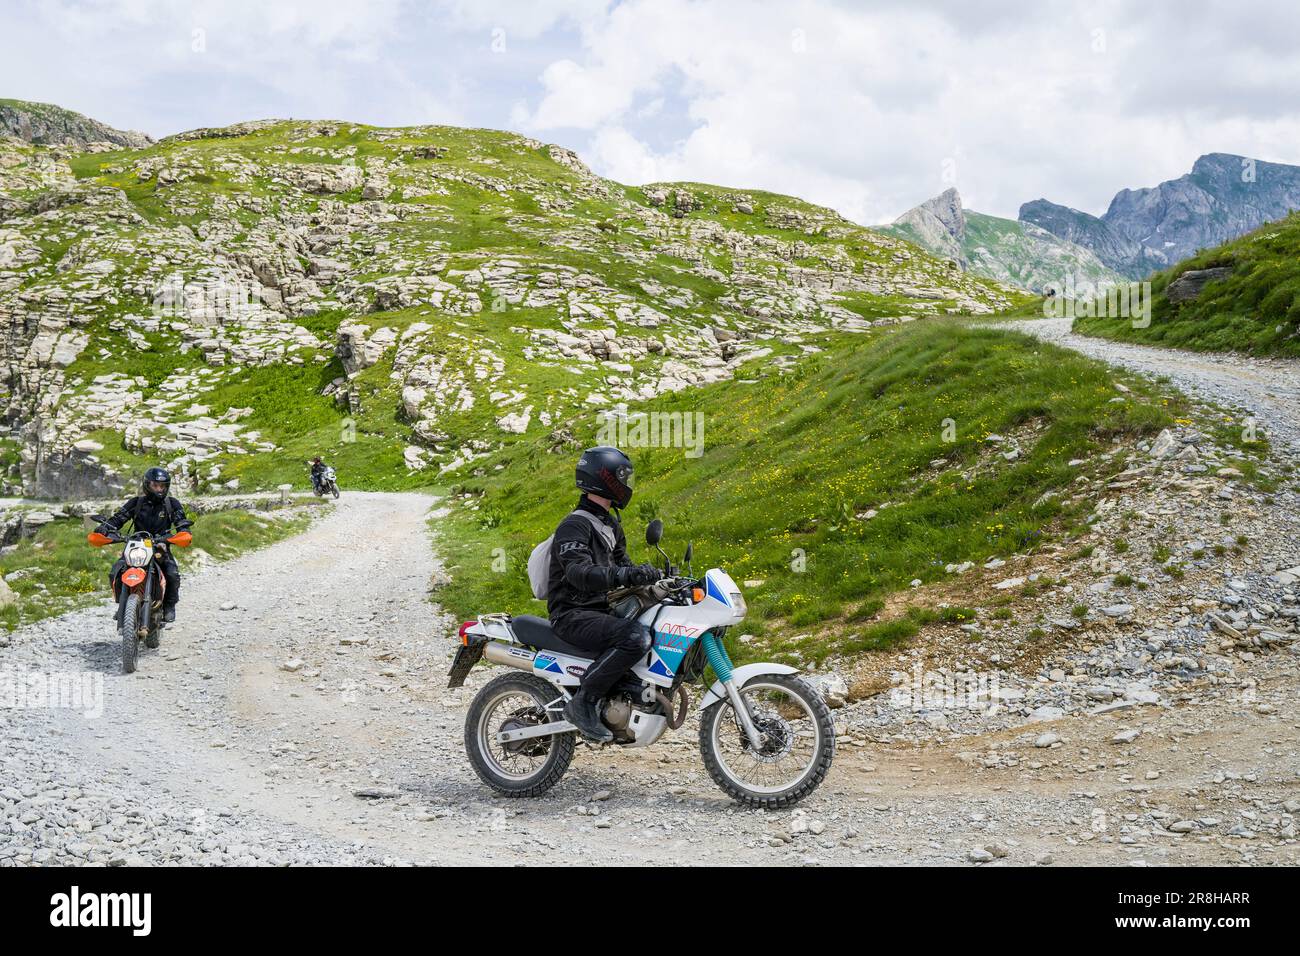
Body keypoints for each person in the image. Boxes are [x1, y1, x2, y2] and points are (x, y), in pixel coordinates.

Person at [547, 446, 662, 742]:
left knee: (651, 627)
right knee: (634, 637)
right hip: (572, 613)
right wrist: (624, 575)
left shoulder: (610, 524)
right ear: (605, 479)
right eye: (623, 477)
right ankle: (583, 702)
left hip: (599, 611)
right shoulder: (574, 525)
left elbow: (623, 566)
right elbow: (578, 573)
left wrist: (654, 576)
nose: (627, 485)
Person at [98, 467, 193, 623]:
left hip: (160, 546)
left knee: (172, 573)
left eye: (162, 486)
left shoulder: (171, 504)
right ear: (147, 485)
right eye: (155, 485)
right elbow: (118, 518)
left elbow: (181, 520)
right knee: (115, 571)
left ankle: (169, 606)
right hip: (137, 545)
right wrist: (105, 527)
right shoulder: (136, 503)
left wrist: (184, 530)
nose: (159, 489)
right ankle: (123, 604)